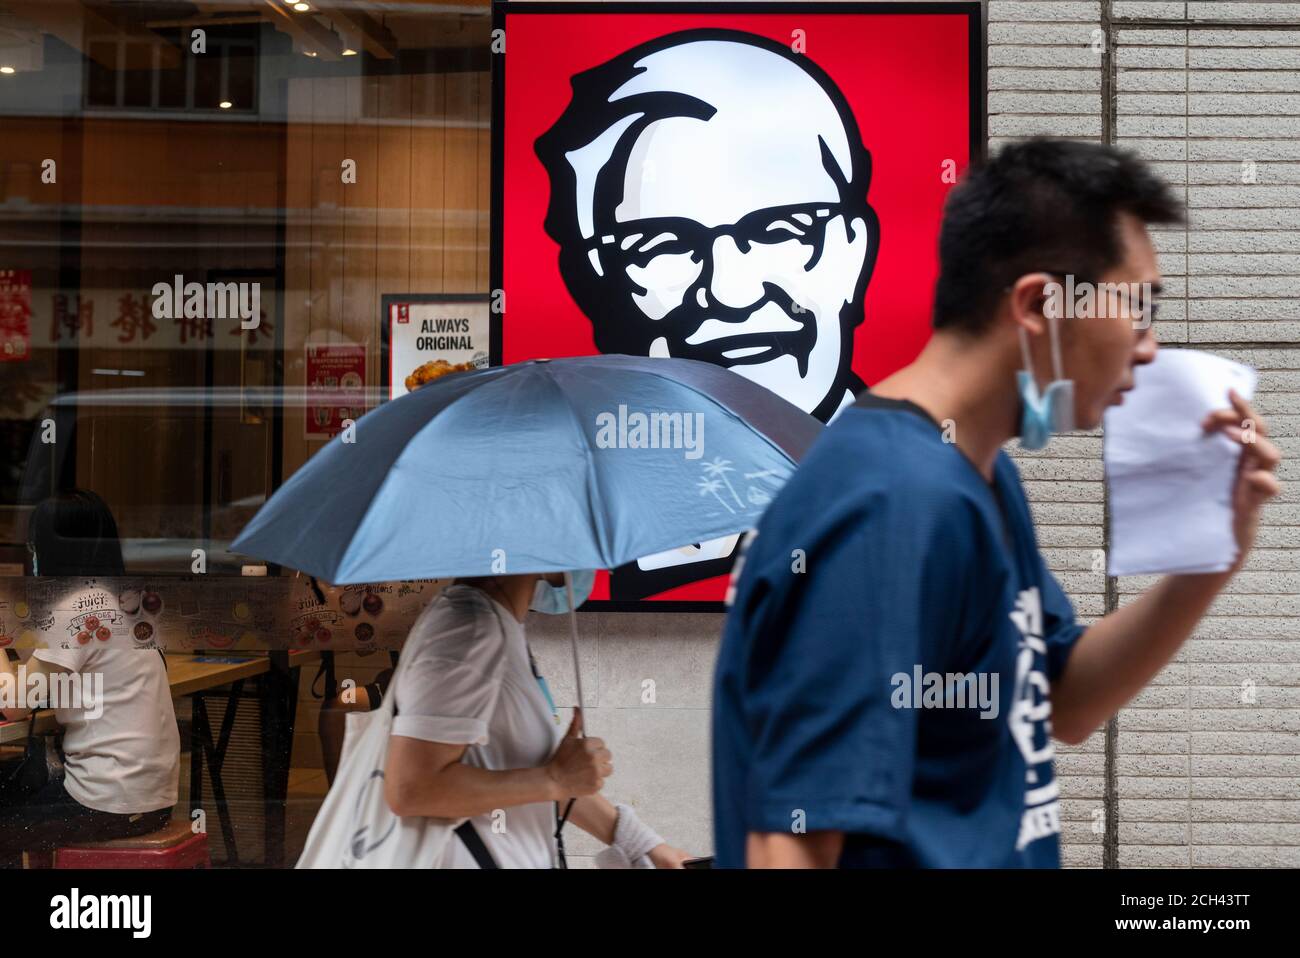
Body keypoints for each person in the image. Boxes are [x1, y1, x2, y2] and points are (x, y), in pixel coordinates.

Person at [711, 138, 1283, 868]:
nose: (1149, 346)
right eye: (1137, 307)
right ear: (1040, 305)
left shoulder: (973, 471)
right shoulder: (892, 499)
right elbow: (786, 843)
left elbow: (1064, 700)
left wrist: (1212, 555)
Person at [537, 29, 880, 598]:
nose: (731, 291)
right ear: (603, 278)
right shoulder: (585, 511)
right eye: (663, 244)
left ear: (853, 251)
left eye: (780, 230)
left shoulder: (919, 493)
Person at [383, 571, 692, 868]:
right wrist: (554, 779)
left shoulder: (495, 625)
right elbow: (412, 789)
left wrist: (641, 844)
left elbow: (529, 772)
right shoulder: (471, 629)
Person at [0, 490, 180, 864]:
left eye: (34, 545)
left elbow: (15, 706)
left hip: (105, 803)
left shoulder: (78, 610)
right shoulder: (126, 602)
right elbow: (47, 668)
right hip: (152, 801)